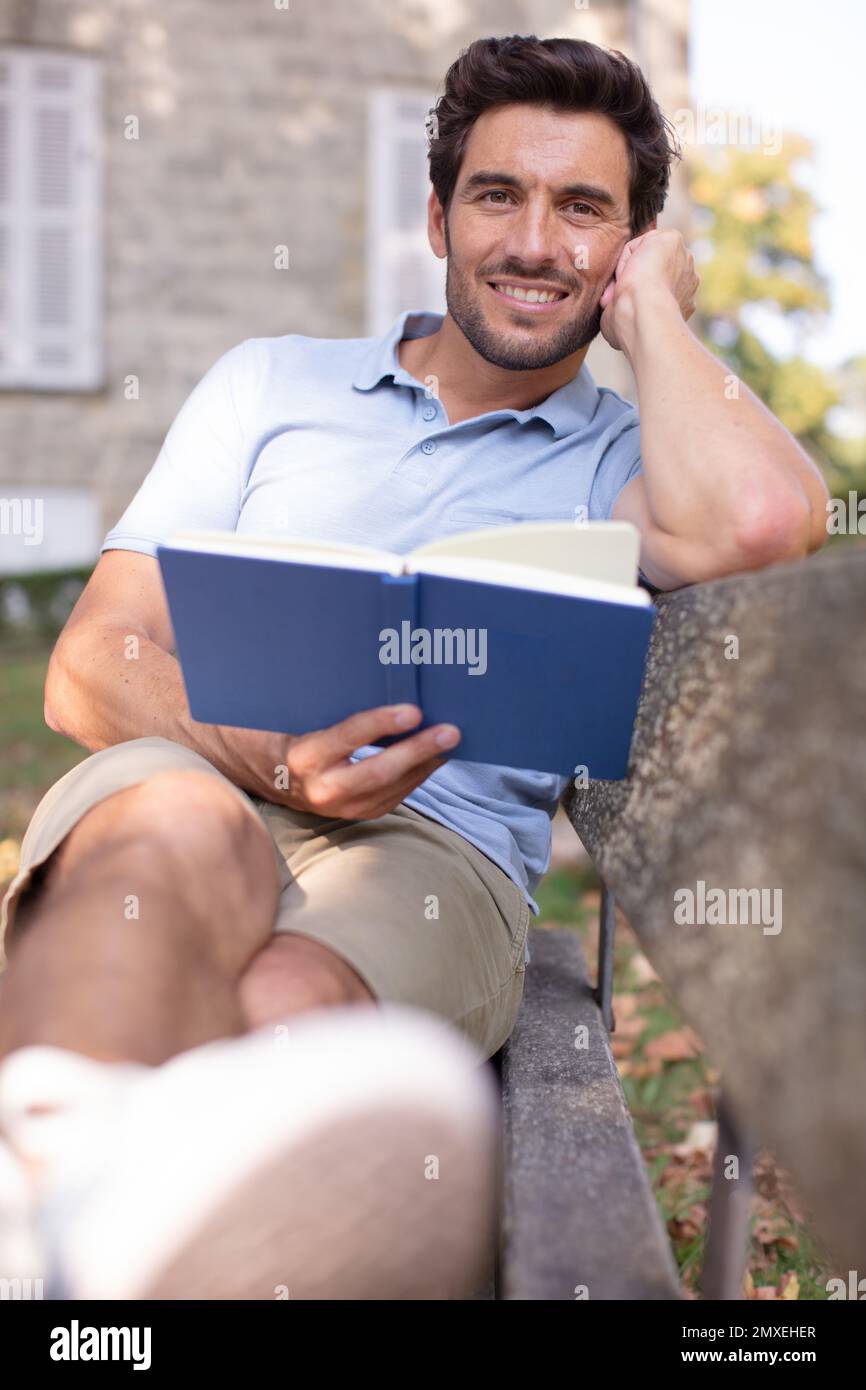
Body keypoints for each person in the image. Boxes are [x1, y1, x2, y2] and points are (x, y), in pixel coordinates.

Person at [0, 34, 828, 1298]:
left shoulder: (625, 465)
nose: (535, 242)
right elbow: (89, 661)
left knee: (291, 991)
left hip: (433, 858)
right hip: (196, 774)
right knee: (165, 835)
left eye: (585, 211)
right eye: (499, 194)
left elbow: (769, 525)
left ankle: (97, 1266)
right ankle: (46, 1213)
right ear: (439, 216)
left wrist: (655, 312)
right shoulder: (269, 385)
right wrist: (268, 754)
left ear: (624, 251)